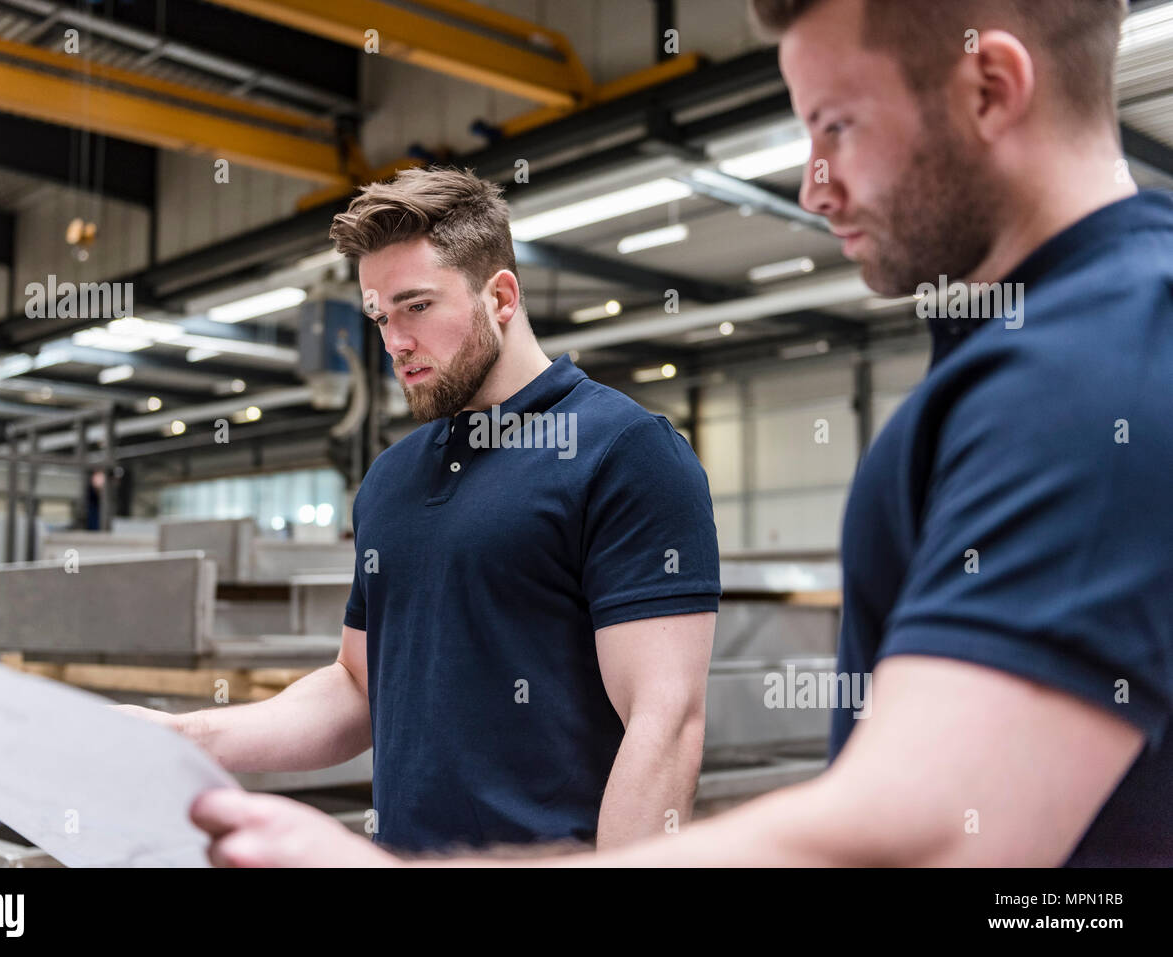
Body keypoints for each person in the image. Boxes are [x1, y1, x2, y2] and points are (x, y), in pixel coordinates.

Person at [189, 0, 1173, 867]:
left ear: (991, 87)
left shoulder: (1092, 372)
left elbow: (927, 830)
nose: (812, 187)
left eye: (836, 125)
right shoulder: (1018, 357)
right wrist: (184, 740)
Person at [131, 167, 721, 854]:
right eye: (380, 315)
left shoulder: (623, 451)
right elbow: (357, 688)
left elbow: (666, 721)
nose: (394, 342)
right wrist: (182, 735)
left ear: (500, 295)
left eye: (416, 307)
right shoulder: (390, 479)